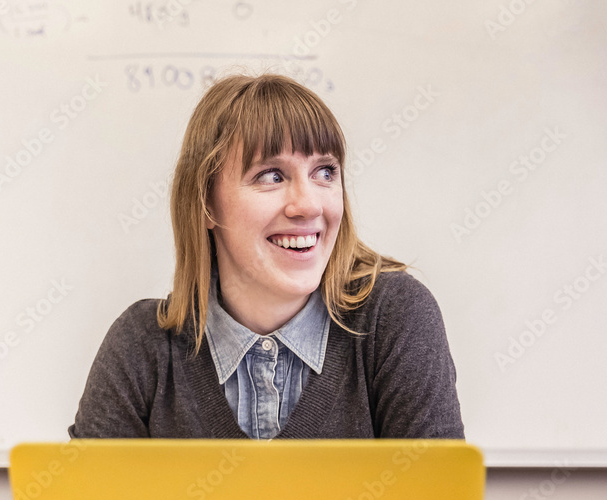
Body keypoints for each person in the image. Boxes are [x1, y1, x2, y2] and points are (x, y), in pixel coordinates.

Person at [69, 73, 463, 440]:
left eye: (325, 172)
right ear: (206, 204)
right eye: (271, 176)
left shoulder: (394, 320)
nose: (308, 205)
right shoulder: (143, 348)